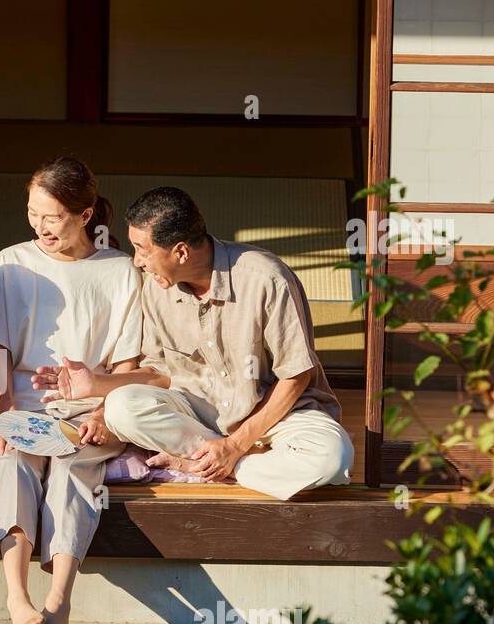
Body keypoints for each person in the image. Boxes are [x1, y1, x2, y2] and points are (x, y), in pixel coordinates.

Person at [38, 185, 354, 501]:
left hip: (274, 416)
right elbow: (160, 373)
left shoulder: (266, 279)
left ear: (181, 252)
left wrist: (234, 447)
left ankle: (208, 466)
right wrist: (97, 383)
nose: (137, 262)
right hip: (198, 418)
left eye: (143, 249)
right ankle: (225, 463)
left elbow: (295, 376)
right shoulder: (156, 290)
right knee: (121, 408)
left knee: (331, 459)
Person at [0, 157, 143, 624]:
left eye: (52, 216)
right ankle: (16, 595)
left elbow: (129, 364)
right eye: (33, 213)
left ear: (85, 213)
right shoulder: (9, 264)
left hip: (89, 407)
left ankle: (60, 599)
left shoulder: (119, 271)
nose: (39, 226)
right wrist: (6, 413)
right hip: (21, 405)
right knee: (10, 469)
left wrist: (100, 412)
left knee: (74, 471)